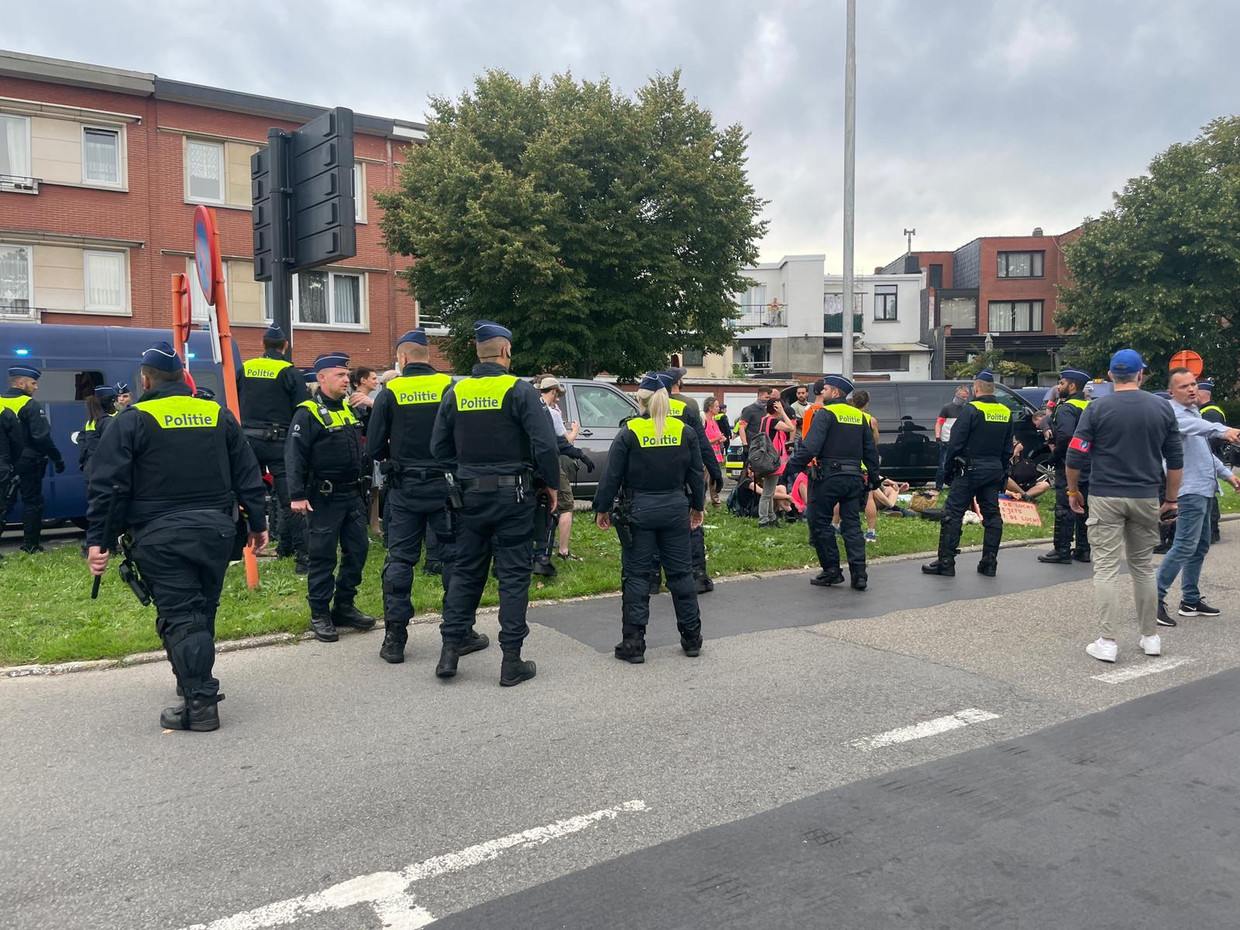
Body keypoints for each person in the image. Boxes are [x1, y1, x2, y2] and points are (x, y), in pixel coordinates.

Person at [85, 342, 268, 732]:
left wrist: (98, 541)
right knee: (202, 611)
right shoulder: (215, 413)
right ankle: (191, 683)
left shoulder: (132, 419)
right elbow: (247, 472)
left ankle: (200, 704)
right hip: (217, 532)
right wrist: (259, 523)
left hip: (159, 536)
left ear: (146, 379)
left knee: (182, 615)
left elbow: (108, 487)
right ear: (183, 379)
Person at [429, 320, 560, 687]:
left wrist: (465, 472)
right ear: (506, 351)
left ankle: (450, 652)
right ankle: (511, 662)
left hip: (468, 497)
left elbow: (438, 448)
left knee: (466, 572)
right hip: (512, 496)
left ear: (477, 351)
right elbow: (545, 445)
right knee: (514, 576)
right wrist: (550, 484)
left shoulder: (457, 392)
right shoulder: (519, 391)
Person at [1066, 350, 1183, 664]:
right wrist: (1171, 500)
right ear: (1141, 374)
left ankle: (1107, 641)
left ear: (1110, 375)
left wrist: (1072, 490)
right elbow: (1175, 460)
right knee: (1142, 567)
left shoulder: (1097, 407)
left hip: (1105, 494)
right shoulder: (1162, 407)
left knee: (1105, 568)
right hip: (1146, 495)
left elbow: (1075, 454)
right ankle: (1150, 637)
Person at [366, 328, 466, 665]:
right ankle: (458, 633)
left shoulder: (391, 391)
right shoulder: (449, 387)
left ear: (402, 358)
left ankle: (395, 638)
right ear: (428, 357)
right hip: (446, 488)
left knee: (399, 561)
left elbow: (374, 447)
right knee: (453, 559)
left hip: (405, 489)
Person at [594, 371, 705, 663]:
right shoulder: (684, 431)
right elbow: (696, 473)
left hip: (639, 512)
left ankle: (634, 644)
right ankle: (692, 638)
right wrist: (697, 506)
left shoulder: (629, 432)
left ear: (639, 400)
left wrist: (602, 508)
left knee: (637, 577)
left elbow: (611, 475)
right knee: (681, 575)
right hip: (675, 510)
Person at [286, 352, 378, 643]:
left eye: (347, 374)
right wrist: (297, 495)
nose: (346, 380)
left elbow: (378, 431)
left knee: (358, 551)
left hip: (352, 495)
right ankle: (320, 613)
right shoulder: (308, 412)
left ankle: (344, 606)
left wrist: (372, 407)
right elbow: (294, 456)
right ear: (321, 377)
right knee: (323, 557)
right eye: (340, 375)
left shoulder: (353, 407)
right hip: (323, 497)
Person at [1153, 369, 1240, 627]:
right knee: (1183, 545)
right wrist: (1223, 430)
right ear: (1171, 392)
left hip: (1204, 488)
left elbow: (1204, 452)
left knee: (1200, 546)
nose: (1191, 389)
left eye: (1193, 385)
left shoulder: (1193, 413)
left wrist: (1227, 475)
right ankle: (1153, 598)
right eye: (1183, 386)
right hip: (1188, 489)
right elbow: (1200, 429)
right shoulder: (1173, 415)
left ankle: (1190, 600)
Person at [786, 374, 879, 591]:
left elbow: (810, 447)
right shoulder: (861, 417)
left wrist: (791, 469)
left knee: (820, 523)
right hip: (854, 478)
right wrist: (873, 478)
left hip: (828, 478)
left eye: (825, 389)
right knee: (853, 526)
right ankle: (859, 575)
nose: (821, 393)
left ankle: (832, 571)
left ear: (835, 392)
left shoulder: (825, 414)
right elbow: (871, 452)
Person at [922, 370, 1014, 578]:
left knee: (952, 515)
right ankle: (989, 562)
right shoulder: (1005, 412)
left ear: (976, 388)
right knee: (992, 516)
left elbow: (955, 443)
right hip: (993, 471)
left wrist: (948, 471)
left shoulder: (971, 410)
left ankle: (946, 563)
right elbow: (1008, 448)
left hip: (969, 470)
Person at [236, 325, 310, 571]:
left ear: (262, 345)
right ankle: (303, 560)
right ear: (285, 346)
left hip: (247, 443)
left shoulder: (244, 368)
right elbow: (302, 410)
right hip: (280, 442)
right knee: (291, 500)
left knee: (245, 495)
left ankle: (244, 551)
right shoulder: (290, 371)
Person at [664, 367, 724, 592]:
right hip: (685, 474)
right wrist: (715, 472)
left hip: (653, 478)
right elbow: (701, 443)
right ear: (677, 382)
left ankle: (650, 580)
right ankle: (697, 575)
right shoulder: (688, 406)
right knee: (693, 524)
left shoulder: (647, 407)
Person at [529, 376, 594, 575]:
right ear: (554, 392)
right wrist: (581, 454)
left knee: (535, 509)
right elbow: (561, 442)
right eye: (557, 395)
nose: (558, 399)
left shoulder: (528, 409)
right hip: (548, 466)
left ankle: (530, 554)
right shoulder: (547, 413)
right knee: (563, 505)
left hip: (527, 469)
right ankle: (557, 552)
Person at [1, 365, 65, 553]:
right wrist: (57, 458)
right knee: (33, 502)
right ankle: (31, 545)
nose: (36, 387)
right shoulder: (30, 405)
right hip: (28, 461)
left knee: (3, 503)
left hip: (4, 462)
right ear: (21, 383)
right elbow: (41, 437)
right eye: (33, 383)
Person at [1039, 368, 1093, 565]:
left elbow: (1066, 436)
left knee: (1064, 504)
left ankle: (1061, 549)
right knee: (1084, 505)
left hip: (1069, 462)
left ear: (1071, 386)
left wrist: (1055, 456)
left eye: (1061, 383)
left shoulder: (1067, 408)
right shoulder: (1089, 405)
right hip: (1089, 462)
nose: (1058, 387)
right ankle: (1083, 549)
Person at [755, 396, 794, 528]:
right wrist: (783, 412)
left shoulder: (763, 420)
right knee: (767, 493)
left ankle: (771, 517)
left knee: (770, 492)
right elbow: (790, 428)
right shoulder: (772, 422)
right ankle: (764, 520)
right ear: (776, 408)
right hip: (772, 462)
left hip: (764, 460)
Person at [1197, 379, 1228, 543]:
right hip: (1209, 456)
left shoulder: (1210, 413)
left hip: (1210, 457)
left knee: (1209, 495)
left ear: (1201, 393)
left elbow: (1212, 438)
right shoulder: (1205, 411)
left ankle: (1212, 531)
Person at [934, 385, 971, 490]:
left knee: (959, 465)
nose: (964, 399)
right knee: (943, 465)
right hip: (946, 440)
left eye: (966, 397)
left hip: (960, 441)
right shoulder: (947, 408)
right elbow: (939, 423)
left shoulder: (967, 409)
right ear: (957, 395)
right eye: (963, 397)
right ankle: (938, 487)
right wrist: (938, 437)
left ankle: (955, 486)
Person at [77, 385, 118, 478]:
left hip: (91, 470)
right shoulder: (108, 421)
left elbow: (82, 440)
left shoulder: (92, 421)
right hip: (104, 472)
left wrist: (84, 460)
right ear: (110, 403)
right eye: (115, 401)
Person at [702, 397, 727, 506]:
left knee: (715, 480)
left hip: (716, 456)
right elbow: (704, 441)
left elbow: (717, 434)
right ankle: (702, 504)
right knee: (705, 481)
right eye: (716, 406)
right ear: (710, 407)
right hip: (707, 457)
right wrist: (717, 439)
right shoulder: (704, 422)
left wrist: (721, 438)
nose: (718, 408)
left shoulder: (714, 420)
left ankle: (716, 502)